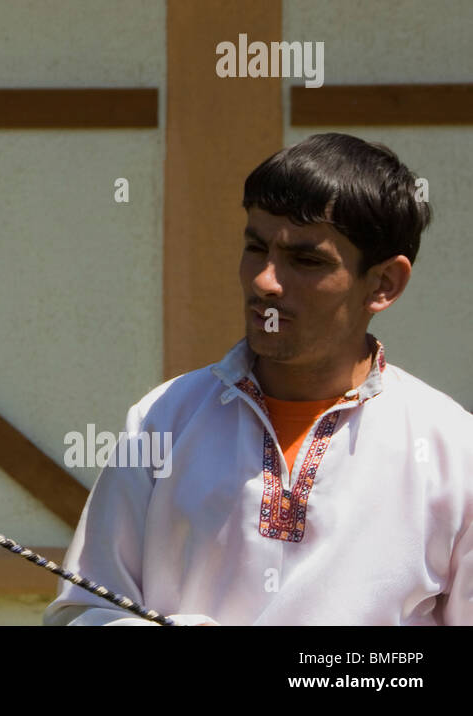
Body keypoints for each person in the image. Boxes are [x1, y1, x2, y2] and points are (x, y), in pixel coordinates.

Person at [43, 132, 472, 625]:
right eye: (256, 247)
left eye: (306, 260)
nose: (265, 281)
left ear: (384, 284)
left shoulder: (453, 450)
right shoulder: (164, 417)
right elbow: (80, 613)